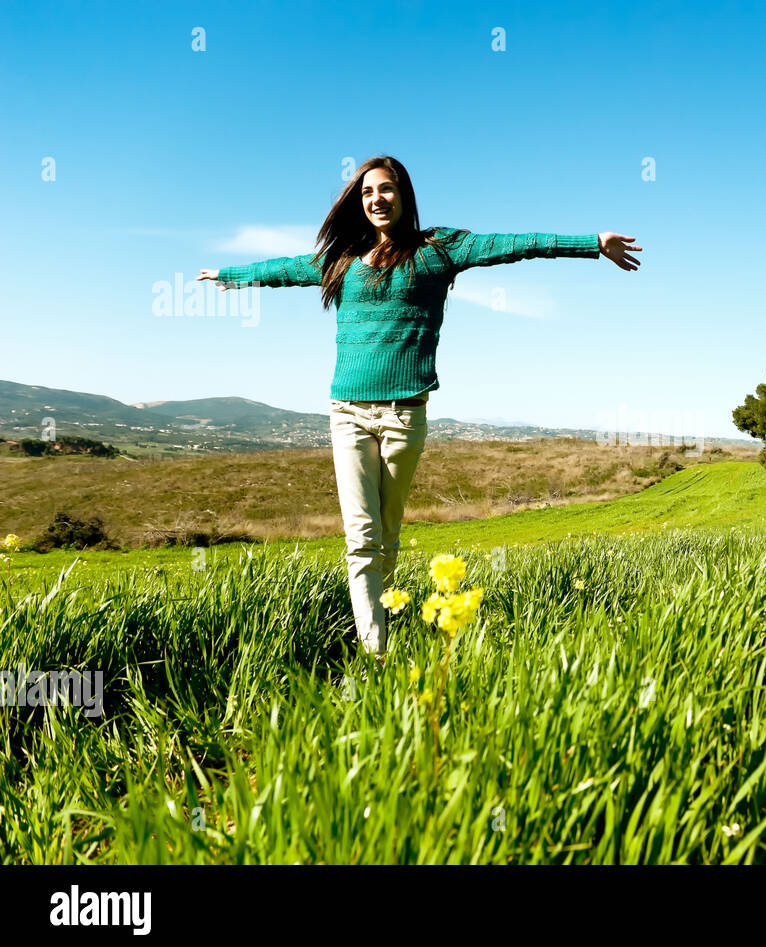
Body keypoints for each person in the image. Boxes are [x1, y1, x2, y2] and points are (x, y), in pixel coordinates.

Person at [197, 155, 641, 661]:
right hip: (347, 413)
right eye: (366, 193)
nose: (375, 200)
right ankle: (375, 655)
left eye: (385, 190)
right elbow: (286, 269)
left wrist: (591, 245)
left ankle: (381, 627)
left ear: (404, 196)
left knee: (387, 536)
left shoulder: (437, 249)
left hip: (405, 415)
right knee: (361, 538)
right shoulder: (342, 260)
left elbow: (514, 246)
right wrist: (232, 275)